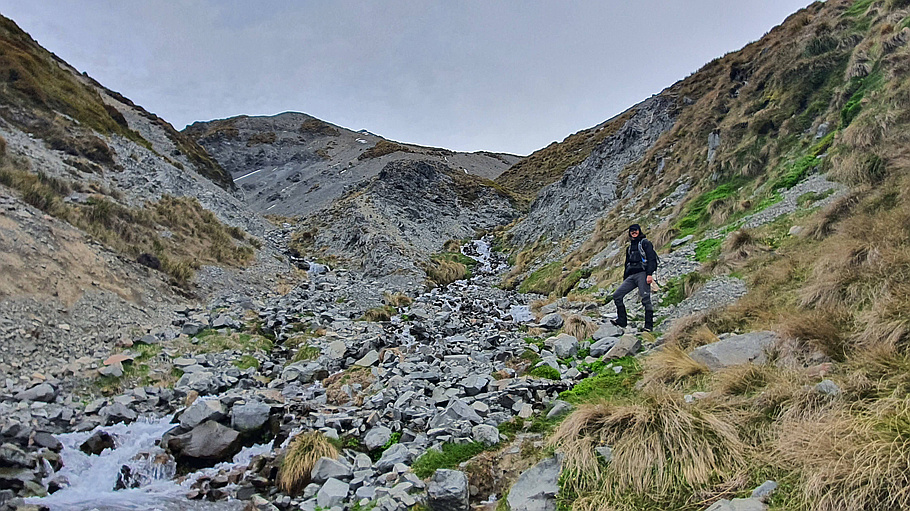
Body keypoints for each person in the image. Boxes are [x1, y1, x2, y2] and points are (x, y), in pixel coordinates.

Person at [610, 223, 658, 332]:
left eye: (635, 230)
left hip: (643, 274)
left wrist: (649, 274)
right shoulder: (629, 247)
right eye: (632, 231)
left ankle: (648, 326)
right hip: (631, 276)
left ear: (639, 231)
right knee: (617, 295)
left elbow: (652, 259)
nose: (634, 232)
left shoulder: (645, 243)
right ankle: (622, 320)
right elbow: (627, 263)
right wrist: (625, 278)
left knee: (645, 299)